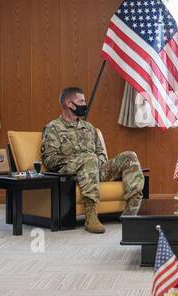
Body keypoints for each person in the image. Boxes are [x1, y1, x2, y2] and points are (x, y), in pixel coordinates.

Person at [41, 86, 144, 234]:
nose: (85, 104)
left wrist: (97, 163)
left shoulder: (89, 127)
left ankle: (131, 212)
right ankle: (90, 214)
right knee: (88, 158)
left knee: (130, 156)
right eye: (81, 101)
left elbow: (101, 153)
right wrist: (80, 160)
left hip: (94, 169)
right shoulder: (53, 128)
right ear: (70, 104)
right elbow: (50, 159)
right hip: (70, 172)